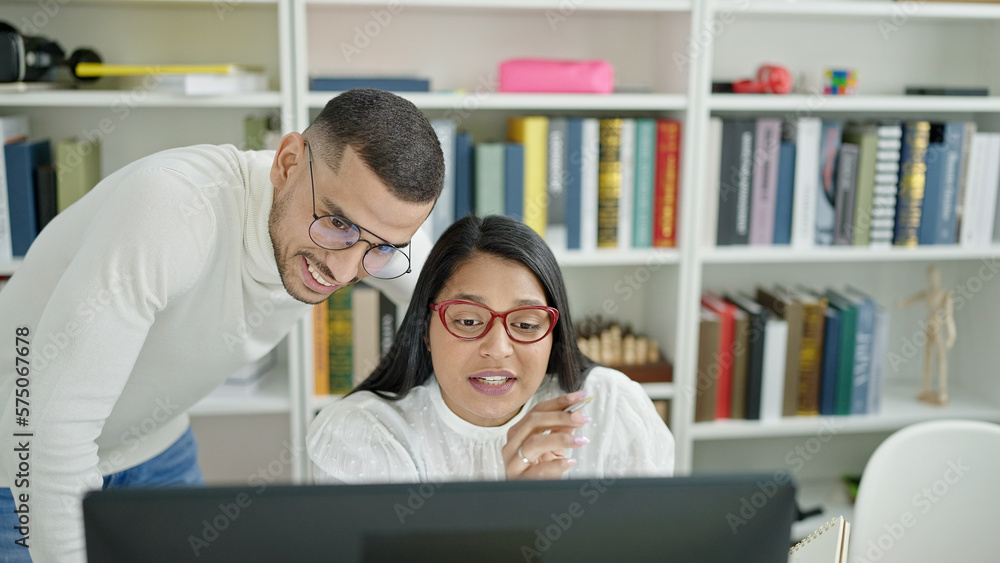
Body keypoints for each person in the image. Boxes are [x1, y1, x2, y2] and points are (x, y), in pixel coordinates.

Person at [0, 89, 444, 562]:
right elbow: (49, 432)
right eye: (336, 222)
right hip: (22, 463)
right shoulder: (172, 209)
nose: (344, 271)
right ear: (288, 163)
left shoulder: (368, 223)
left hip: (155, 447)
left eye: (381, 249)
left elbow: (459, 298)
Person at [307, 215, 675, 484]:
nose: (498, 349)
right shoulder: (360, 435)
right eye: (468, 321)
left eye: (526, 324)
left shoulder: (611, 408)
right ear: (424, 329)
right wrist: (515, 515)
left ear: (553, 334)